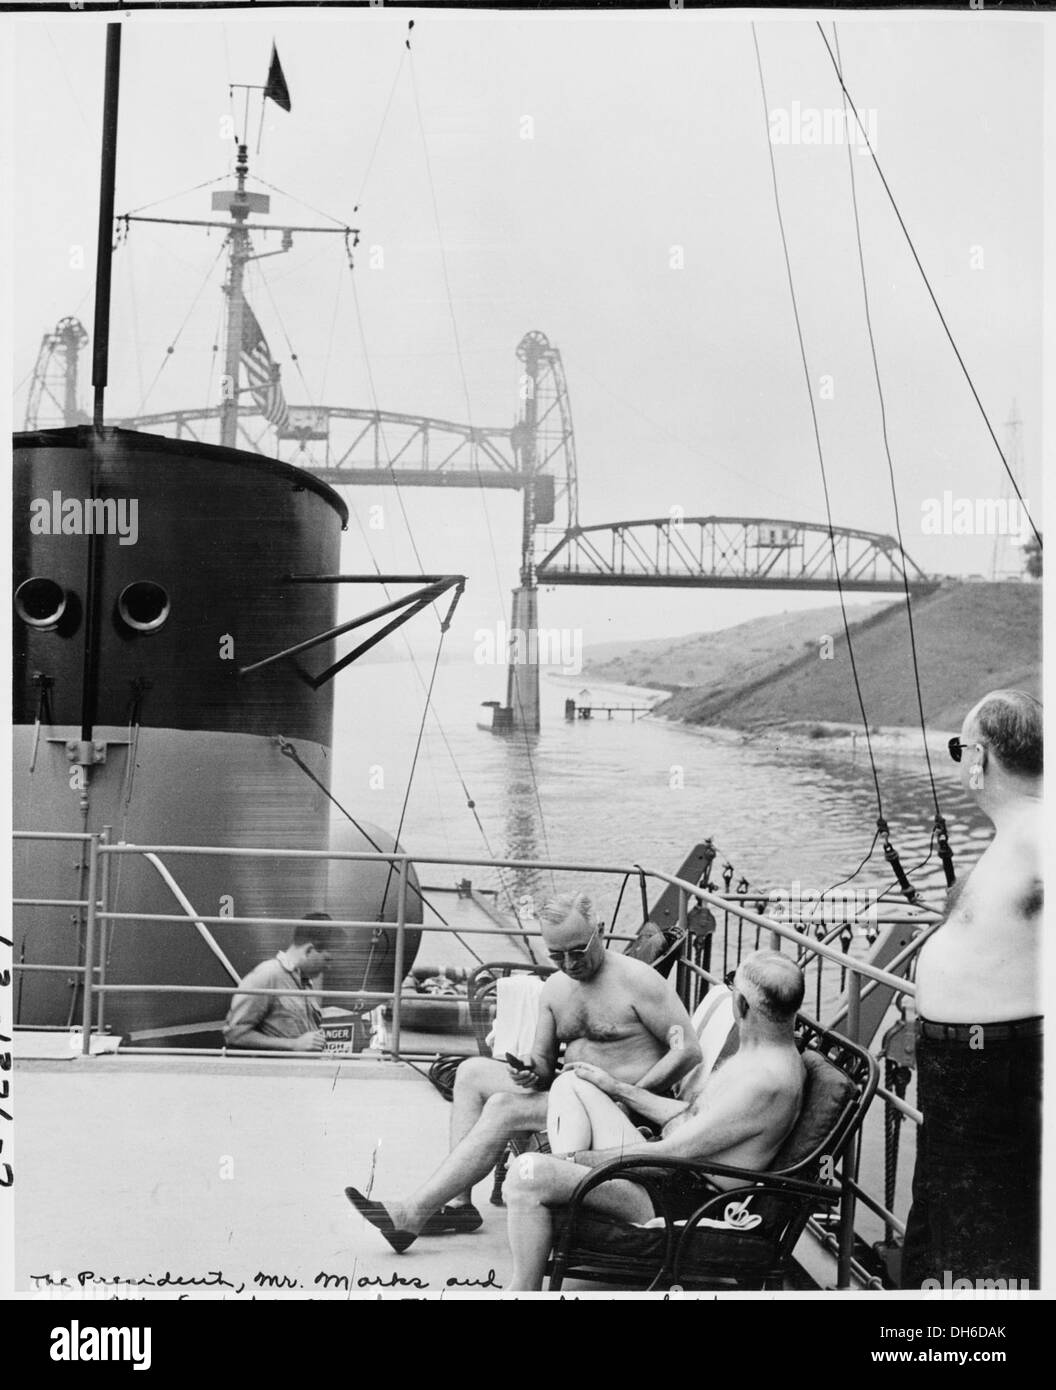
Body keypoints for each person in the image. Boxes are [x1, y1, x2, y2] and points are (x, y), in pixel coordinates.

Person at [345, 890, 701, 1251]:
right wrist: (528, 1071)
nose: (570, 963)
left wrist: (630, 1092)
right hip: (569, 1094)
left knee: (504, 1107)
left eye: (578, 951)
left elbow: (688, 1050)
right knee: (471, 1073)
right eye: (557, 955)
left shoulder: (638, 980)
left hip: (625, 1110)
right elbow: (544, 1064)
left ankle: (411, 1214)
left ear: (602, 931)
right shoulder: (557, 989)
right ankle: (458, 1207)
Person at [502, 950, 806, 1290]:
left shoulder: (764, 1080)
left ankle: (523, 1288)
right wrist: (617, 1088)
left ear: (742, 1005)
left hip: (678, 1201)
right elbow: (690, 1118)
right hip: (671, 1175)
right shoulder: (761, 1054)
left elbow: (672, 1152)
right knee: (573, 1082)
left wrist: (567, 1161)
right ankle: (563, 1189)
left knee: (525, 1174)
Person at [901, 690, 1043, 1289]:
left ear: (979, 756)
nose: (961, 762)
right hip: (965, 1074)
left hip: (990, 1078)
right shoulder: (1017, 834)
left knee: (976, 1251)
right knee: (941, 1238)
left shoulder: (1040, 834)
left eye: (961, 748)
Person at [223, 912, 336, 1052]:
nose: (329, 967)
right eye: (326, 959)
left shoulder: (304, 982)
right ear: (309, 951)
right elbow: (234, 1035)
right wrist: (294, 1044)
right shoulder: (268, 975)